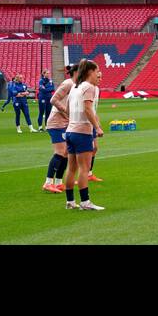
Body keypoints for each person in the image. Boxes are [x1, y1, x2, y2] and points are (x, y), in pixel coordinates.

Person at [64, 60, 105, 211]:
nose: (98, 74)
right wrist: (97, 127)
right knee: (84, 168)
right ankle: (85, 201)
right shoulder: (89, 87)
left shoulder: (75, 87)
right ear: (89, 72)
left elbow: (67, 109)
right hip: (82, 132)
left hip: (70, 130)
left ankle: (70, 201)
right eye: (96, 71)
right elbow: (88, 109)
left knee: (72, 167)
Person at [41, 65, 76, 194]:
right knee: (60, 152)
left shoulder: (77, 84)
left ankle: (59, 182)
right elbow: (53, 99)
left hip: (65, 122)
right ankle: (48, 183)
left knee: (66, 152)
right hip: (56, 123)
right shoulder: (68, 83)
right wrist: (65, 111)